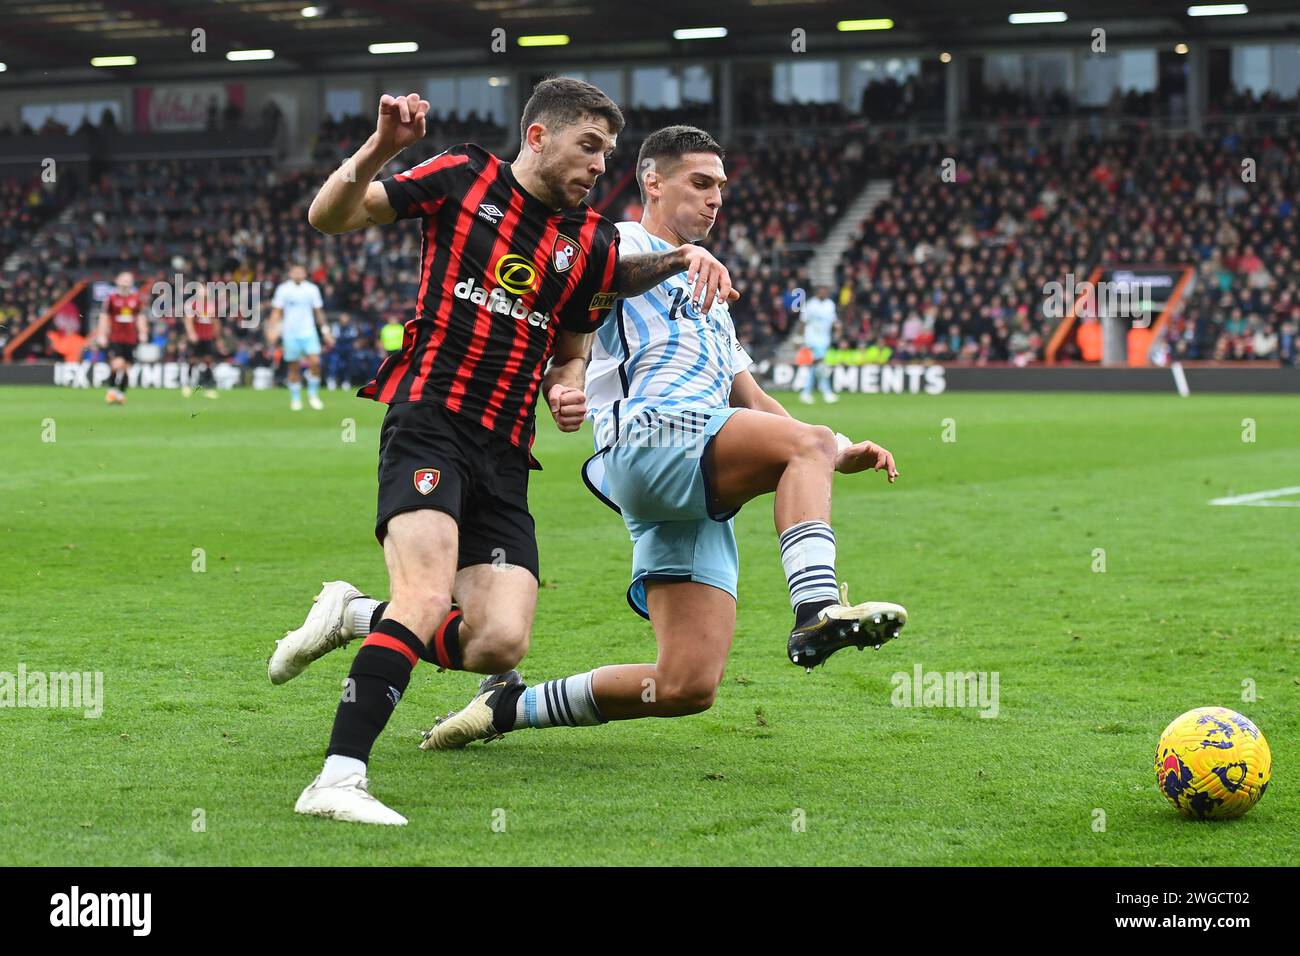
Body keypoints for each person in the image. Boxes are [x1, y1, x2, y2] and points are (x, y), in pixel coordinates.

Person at [269, 83, 737, 826]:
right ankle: (336, 777)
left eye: (609, 152)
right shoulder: (464, 176)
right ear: (541, 136)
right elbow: (330, 217)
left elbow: (576, 342)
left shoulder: (585, 241)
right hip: (430, 419)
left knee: (497, 640)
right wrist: (383, 149)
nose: (599, 164)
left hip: (505, 451)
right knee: (425, 598)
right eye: (589, 146)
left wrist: (568, 383)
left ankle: (354, 614)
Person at [419, 126, 905, 754]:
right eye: (700, 183)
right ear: (652, 182)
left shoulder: (712, 294)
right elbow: (585, 284)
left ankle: (509, 705)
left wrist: (833, 448)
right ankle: (814, 611)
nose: (715, 199)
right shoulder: (615, 242)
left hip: (691, 465)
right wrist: (564, 380)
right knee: (802, 443)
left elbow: (752, 400)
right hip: (651, 439)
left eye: (721, 188)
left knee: (685, 685)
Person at [269, 263, 330, 410]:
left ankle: (313, 395)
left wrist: (325, 330)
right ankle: (296, 399)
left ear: (304, 273)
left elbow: (318, 312)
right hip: (290, 333)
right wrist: (273, 329)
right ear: (290, 273)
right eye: (294, 271)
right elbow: (277, 311)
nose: (297, 274)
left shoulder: (312, 289)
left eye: (300, 271)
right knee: (294, 367)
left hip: (308, 331)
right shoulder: (283, 289)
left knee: (315, 362)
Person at [96, 271, 145, 405]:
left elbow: (140, 316)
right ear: (117, 281)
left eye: (128, 280)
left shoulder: (136, 299)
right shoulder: (111, 299)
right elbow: (104, 317)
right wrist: (101, 334)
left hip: (131, 338)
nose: (125, 282)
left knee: (126, 368)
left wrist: (143, 332)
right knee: (117, 365)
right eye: (123, 279)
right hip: (115, 337)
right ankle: (111, 391)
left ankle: (120, 394)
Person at [800, 285, 838, 404]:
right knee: (820, 365)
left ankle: (807, 392)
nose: (823, 293)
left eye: (825, 291)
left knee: (816, 367)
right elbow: (803, 321)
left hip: (824, 339)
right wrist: (800, 338)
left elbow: (833, 322)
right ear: (817, 293)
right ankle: (826, 392)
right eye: (821, 291)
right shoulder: (810, 304)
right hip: (812, 339)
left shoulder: (830, 304)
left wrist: (837, 333)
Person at [181, 284, 221, 398]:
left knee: (208, 361)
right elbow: (188, 320)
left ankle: (208, 387)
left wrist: (217, 337)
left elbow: (215, 321)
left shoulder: (212, 306)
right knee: (192, 360)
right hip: (197, 337)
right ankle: (187, 385)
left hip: (207, 337)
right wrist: (191, 334)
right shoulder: (192, 304)